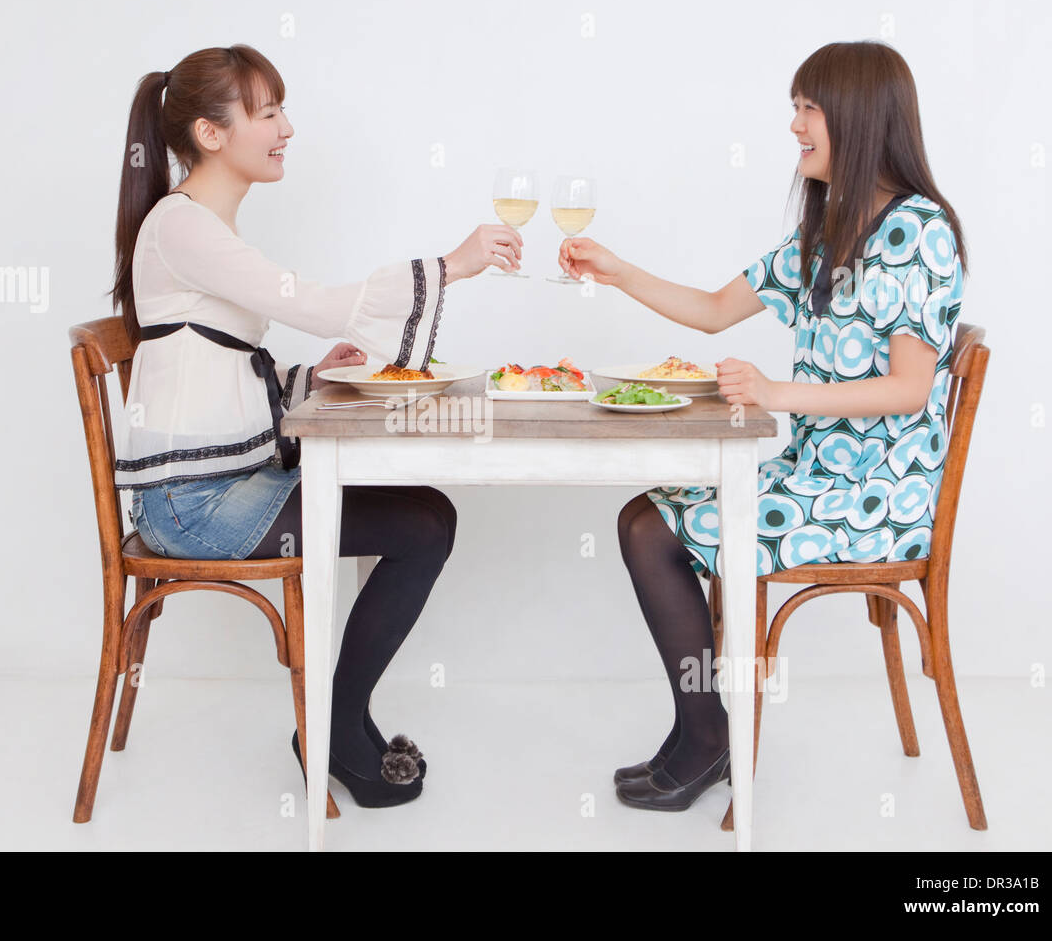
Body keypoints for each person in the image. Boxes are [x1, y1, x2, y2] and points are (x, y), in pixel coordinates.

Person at [558, 40, 968, 811]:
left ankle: (707, 738)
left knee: (651, 532)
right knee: (644, 517)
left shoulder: (920, 232)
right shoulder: (831, 228)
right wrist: (618, 272)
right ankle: (700, 732)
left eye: (807, 109)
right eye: (795, 109)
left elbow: (911, 388)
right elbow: (717, 311)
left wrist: (777, 393)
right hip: (815, 475)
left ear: (858, 117)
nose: (794, 127)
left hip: (873, 497)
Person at [110, 45, 523, 808]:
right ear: (210, 132)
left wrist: (309, 376)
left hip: (216, 491)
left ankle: (337, 718)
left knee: (428, 515)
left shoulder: (200, 229)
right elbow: (311, 300)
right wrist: (450, 266)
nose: (286, 128)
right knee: (424, 529)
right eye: (267, 113)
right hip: (192, 510)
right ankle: (332, 722)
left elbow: (217, 361)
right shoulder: (183, 228)